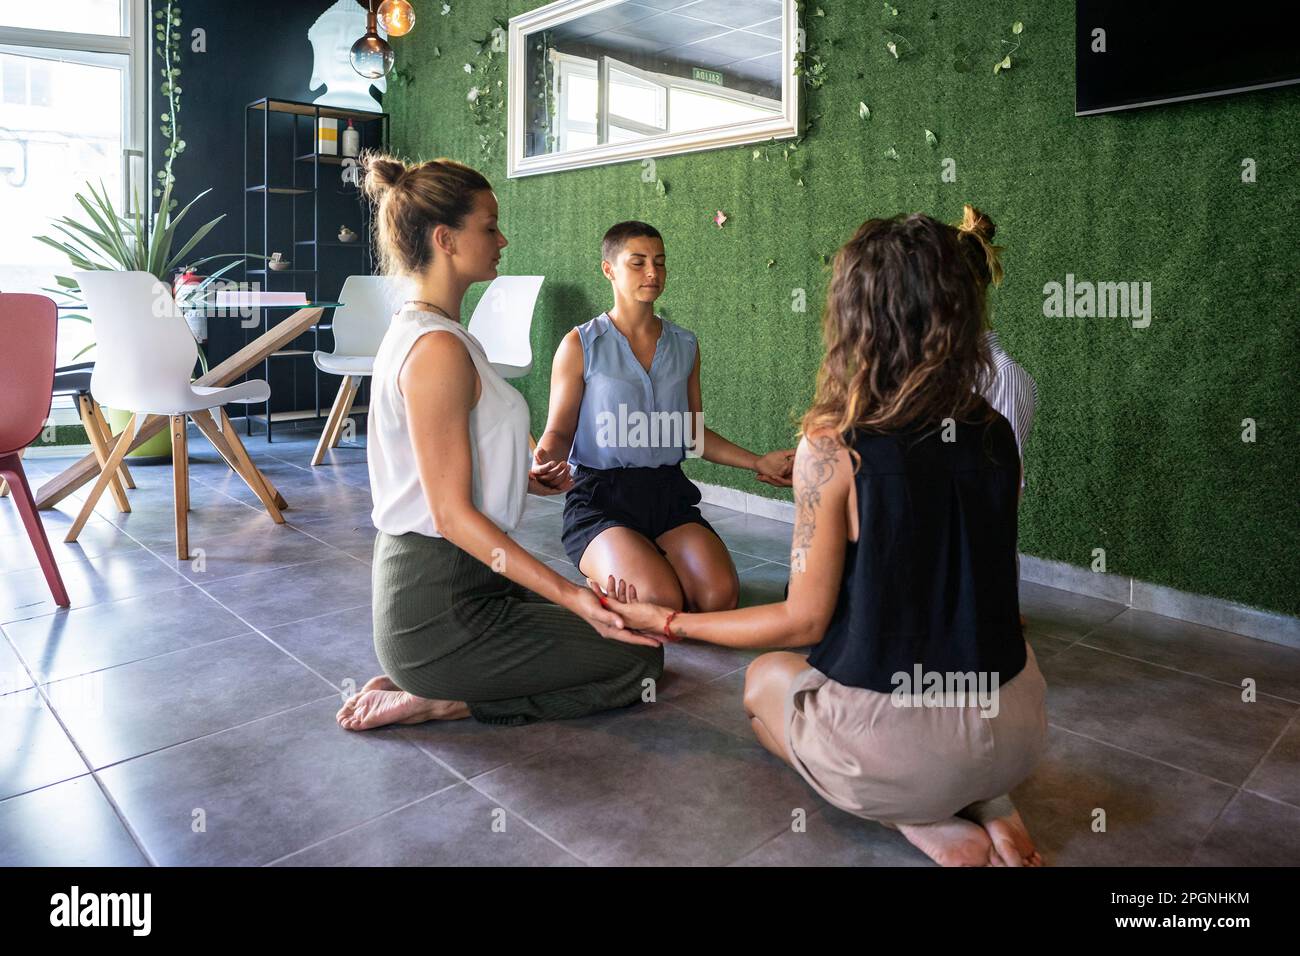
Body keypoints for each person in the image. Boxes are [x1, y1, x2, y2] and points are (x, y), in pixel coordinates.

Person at [598, 213, 1049, 867]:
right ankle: (991, 801)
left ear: (858, 317)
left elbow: (802, 619)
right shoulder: (993, 430)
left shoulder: (834, 445)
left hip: (910, 755)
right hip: (1020, 727)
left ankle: (918, 820)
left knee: (762, 686)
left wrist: (666, 620)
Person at [336, 153, 662, 732]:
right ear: (446, 239)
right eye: (488, 226)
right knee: (639, 661)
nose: (502, 238)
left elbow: (445, 465)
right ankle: (444, 695)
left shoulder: (442, 335)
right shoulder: (435, 349)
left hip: (474, 580)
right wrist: (572, 595)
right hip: (436, 604)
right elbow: (451, 515)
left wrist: (521, 477)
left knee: (626, 628)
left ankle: (442, 682)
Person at [532, 220, 795, 613]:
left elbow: (690, 431)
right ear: (609, 269)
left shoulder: (685, 344)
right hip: (600, 497)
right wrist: (545, 458)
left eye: (659, 262)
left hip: (666, 493)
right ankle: (604, 570)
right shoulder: (579, 344)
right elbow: (558, 431)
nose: (653, 273)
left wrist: (757, 461)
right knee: (661, 600)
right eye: (637, 263)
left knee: (718, 598)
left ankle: (647, 556)